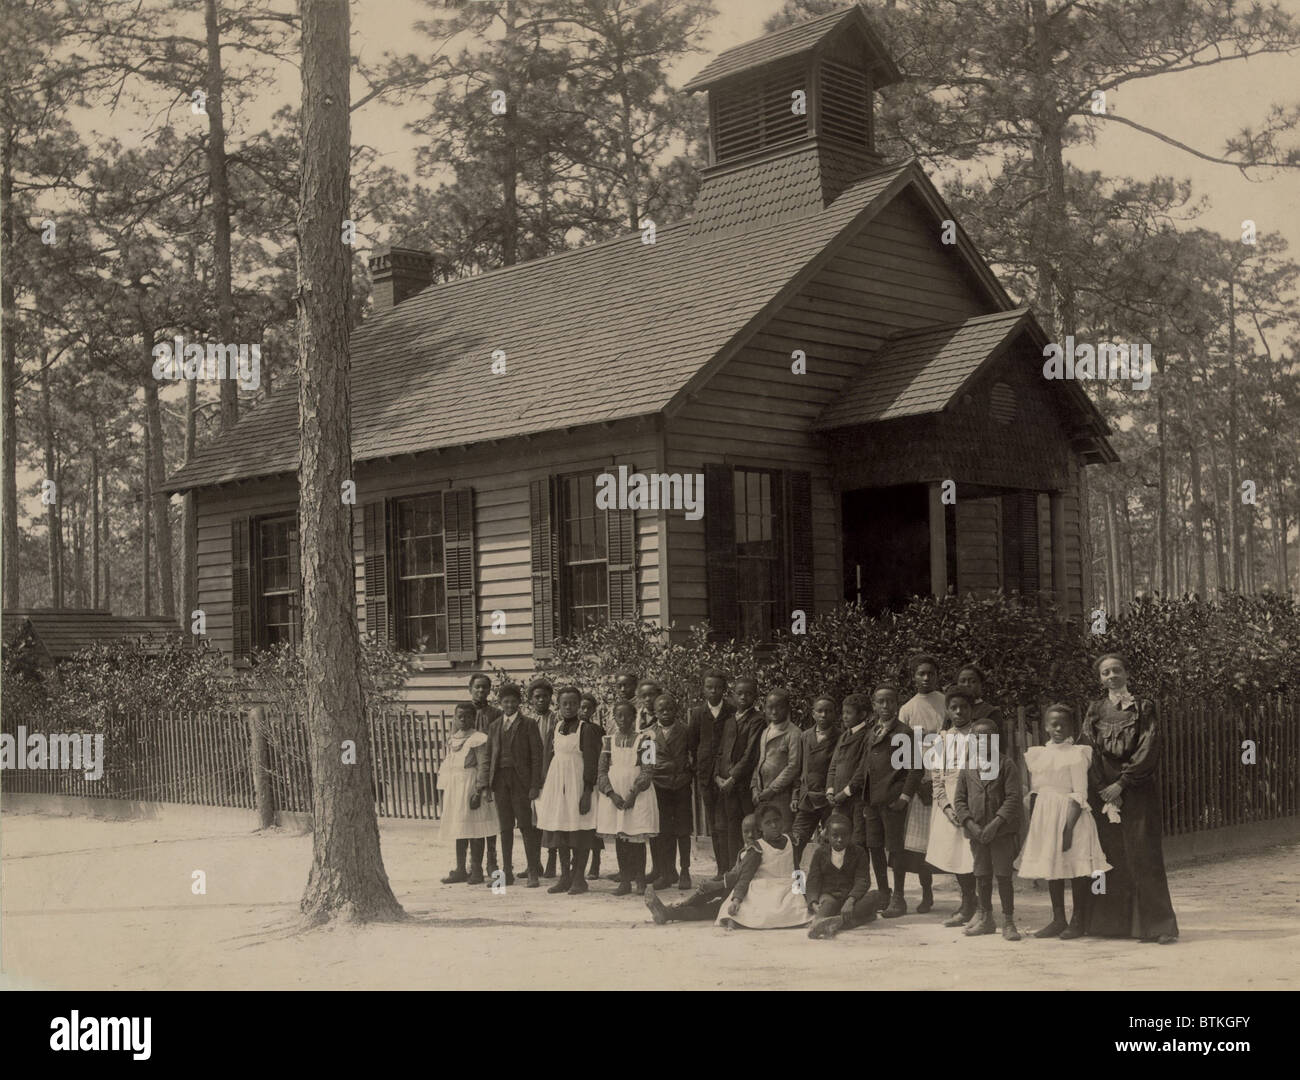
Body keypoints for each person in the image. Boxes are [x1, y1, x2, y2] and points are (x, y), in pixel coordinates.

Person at [1078, 654, 1179, 944]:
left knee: (1143, 854)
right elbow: (1088, 749)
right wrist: (1103, 789)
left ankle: (1158, 926)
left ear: (1126, 673)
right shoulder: (1095, 710)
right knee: (1109, 856)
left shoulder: (1144, 707)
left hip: (1136, 790)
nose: (1112, 676)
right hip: (1103, 794)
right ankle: (1112, 925)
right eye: (1105, 672)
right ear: (1100, 679)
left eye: (1116, 670)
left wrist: (1122, 784)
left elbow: (1149, 747)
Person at [1018, 704, 1110, 939]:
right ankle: (1058, 919)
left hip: (1071, 816)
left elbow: (1079, 793)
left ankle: (1078, 920)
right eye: (1053, 723)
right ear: (1046, 726)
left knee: (1077, 869)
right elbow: (1037, 791)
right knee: (1053, 869)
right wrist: (1036, 822)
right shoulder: (1038, 754)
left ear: (1072, 726)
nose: (1058, 728)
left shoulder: (1077, 754)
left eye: (1063, 724)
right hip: (1046, 816)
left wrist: (1067, 829)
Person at [854, 683, 923, 917]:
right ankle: (883, 892)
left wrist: (904, 797)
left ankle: (899, 898)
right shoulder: (872, 732)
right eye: (880, 701)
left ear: (897, 704)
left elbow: (914, 768)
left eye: (890, 701)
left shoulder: (902, 733)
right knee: (874, 846)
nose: (885, 706)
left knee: (895, 849)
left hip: (892, 801)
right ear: (874, 705)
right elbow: (865, 766)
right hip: (871, 801)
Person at [954, 718, 1022, 940]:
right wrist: (971, 825)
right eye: (977, 738)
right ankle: (986, 918)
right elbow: (960, 801)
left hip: (1000, 832)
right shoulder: (967, 768)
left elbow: (1013, 799)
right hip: (977, 834)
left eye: (987, 737)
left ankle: (1009, 921)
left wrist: (995, 824)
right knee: (981, 875)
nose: (982, 742)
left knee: (1003, 876)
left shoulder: (1006, 764)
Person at [535, 685, 602, 895]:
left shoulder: (586, 729)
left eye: (573, 703)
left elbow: (591, 762)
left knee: (580, 831)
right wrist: (546, 787)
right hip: (558, 786)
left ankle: (579, 878)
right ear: (559, 705)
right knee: (560, 830)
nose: (569, 707)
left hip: (578, 785)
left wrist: (587, 792)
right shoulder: (554, 728)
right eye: (565, 703)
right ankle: (565, 876)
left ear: (579, 705)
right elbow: (549, 760)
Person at [925, 686, 979, 927]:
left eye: (963, 707)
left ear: (972, 709)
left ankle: (979, 904)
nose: (958, 712)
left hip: (974, 802)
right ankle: (968, 902)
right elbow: (937, 778)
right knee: (956, 856)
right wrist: (947, 807)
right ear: (947, 710)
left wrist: (973, 807)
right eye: (954, 708)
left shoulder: (979, 736)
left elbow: (987, 773)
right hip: (950, 805)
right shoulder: (942, 739)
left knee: (974, 855)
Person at [644, 814, 761, 924]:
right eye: (746, 832)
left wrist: (720, 885)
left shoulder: (755, 851)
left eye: (755, 831)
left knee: (710, 905)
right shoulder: (750, 849)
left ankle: (671, 910)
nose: (750, 835)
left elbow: (742, 878)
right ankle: (670, 911)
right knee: (710, 902)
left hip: (743, 894)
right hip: (740, 890)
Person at [716, 803, 811, 930]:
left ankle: (803, 920)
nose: (774, 825)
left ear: (782, 820)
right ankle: (736, 920)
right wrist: (736, 900)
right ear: (760, 827)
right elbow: (745, 876)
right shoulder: (757, 848)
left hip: (788, 887)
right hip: (764, 888)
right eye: (768, 823)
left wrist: (805, 894)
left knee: (800, 907)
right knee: (759, 909)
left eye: (776, 820)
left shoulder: (791, 842)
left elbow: (796, 869)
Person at [899, 654, 945, 913]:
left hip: (945, 780)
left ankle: (967, 897)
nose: (926, 678)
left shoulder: (947, 703)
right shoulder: (907, 709)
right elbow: (904, 753)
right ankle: (927, 894)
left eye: (931, 673)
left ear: (937, 675)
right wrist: (918, 785)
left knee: (950, 838)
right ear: (913, 677)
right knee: (920, 845)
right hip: (920, 783)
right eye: (921, 674)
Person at [596, 701, 658, 895]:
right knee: (621, 839)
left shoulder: (646, 739)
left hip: (638, 796)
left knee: (636, 838)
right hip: (615, 797)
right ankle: (624, 881)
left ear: (634, 718)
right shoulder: (608, 741)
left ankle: (640, 879)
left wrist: (633, 793)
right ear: (614, 718)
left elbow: (648, 771)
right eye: (619, 716)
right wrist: (611, 794)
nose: (624, 720)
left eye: (628, 716)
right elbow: (602, 771)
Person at [486, 682, 544, 888]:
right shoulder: (494, 726)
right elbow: (488, 757)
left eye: (513, 701)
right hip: (500, 781)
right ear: (500, 703)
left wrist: (534, 784)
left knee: (526, 827)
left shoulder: (528, 724)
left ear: (519, 703)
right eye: (505, 702)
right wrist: (487, 785)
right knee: (505, 828)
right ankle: (506, 874)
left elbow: (537, 756)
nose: (509, 705)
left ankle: (533, 872)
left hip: (521, 781)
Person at [437, 702, 499, 885]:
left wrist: (479, 791)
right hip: (456, 787)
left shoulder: (478, 738)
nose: (463, 720)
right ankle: (460, 869)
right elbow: (449, 765)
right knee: (460, 828)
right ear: (455, 718)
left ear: (474, 718)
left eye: (467, 717)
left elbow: (482, 765)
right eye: (460, 716)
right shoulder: (453, 738)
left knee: (475, 829)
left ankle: (477, 869)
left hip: (471, 786)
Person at [711, 676, 761, 877]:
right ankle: (733, 870)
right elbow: (721, 751)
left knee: (750, 826)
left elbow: (750, 755)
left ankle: (751, 870)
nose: (743, 697)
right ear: (732, 695)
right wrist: (717, 776)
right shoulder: (730, 720)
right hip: (726, 785)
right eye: (739, 693)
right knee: (732, 828)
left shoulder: (757, 720)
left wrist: (732, 778)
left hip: (742, 784)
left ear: (755, 697)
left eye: (748, 694)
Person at [805, 813, 880, 939]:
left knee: (875, 896)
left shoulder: (859, 852)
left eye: (844, 835)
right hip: (829, 895)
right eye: (835, 835)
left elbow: (863, 880)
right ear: (827, 836)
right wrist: (813, 902)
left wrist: (851, 900)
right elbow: (813, 879)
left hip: (851, 898)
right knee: (827, 905)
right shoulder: (820, 853)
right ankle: (823, 922)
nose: (840, 839)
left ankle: (834, 923)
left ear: (850, 835)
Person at [648, 692, 696, 890]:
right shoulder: (649, 733)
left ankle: (685, 870)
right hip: (660, 788)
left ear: (676, 710)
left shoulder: (685, 730)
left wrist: (683, 770)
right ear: (655, 712)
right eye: (661, 710)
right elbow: (648, 763)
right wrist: (665, 767)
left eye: (669, 709)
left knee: (683, 831)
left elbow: (693, 756)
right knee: (663, 831)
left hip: (681, 786)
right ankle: (668, 872)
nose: (666, 713)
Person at [689, 669, 732, 879]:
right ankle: (721, 868)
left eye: (717, 687)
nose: (713, 691)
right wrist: (699, 769)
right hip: (706, 777)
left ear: (724, 689)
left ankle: (733, 866)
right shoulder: (698, 714)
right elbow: (693, 743)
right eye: (709, 687)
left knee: (728, 821)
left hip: (727, 775)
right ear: (704, 689)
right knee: (714, 824)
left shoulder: (732, 710)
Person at [791, 695, 838, 868]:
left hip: (828, 800)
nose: (824, 715)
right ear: (813, 714)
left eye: (828, 711)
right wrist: (796, 796)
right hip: (806, 799)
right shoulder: (804, 736)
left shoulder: (840, 737)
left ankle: (829, 886)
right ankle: (797, 887)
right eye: (820, 711)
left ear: (835, 714)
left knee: (831, 845)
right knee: (796, 843)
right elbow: (798, 769)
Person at [751, 689, 802, 835]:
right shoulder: (765, 731)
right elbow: (759, 762)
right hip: (762, 794)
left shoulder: (793, 733)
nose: (774, 711)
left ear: (787, 708)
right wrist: (754, 787)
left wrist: (772, 789)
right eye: (770, 707)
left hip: (781, 794)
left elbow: (793, 766)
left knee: (782, 834)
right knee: (765, 835)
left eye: (779, 707)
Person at [824, 693, 871, 847]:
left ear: (863, 714)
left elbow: (862, 770)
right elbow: (833, 766)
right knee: (834, 838)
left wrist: (845, 793)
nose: (844, 716)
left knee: (857, 841)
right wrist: (830, 790)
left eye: (849, 713)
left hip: (856, 799)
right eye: (843, 712)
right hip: (838, 799)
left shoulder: (868, 736)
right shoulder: (844, 736)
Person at [467, 674, 502, 877]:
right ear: (470, 688)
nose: (481, 691)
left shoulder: (495, 714)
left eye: (485, 688)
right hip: (470, 772)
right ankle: (474, 865)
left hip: (489, 771)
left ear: (489, 691)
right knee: (473, 817)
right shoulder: (464, 712)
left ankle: (492, 861)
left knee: (490, 817)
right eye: (477, 687)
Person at [527, 677, 559, 878]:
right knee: (532, 819)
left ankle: (552, 861)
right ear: (531, 699)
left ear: (550, 698)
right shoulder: (527, 720)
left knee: (551, 818)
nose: (541, 700)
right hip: (531, 776)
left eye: (545, 697)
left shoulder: (556, 720)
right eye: (537, 697)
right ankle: (534, 862)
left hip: (551, 774)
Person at [578, 691, 605, 880]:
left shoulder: (596, 730)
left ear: (594, 710)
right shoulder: (568, 727)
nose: (584, 711)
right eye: (581, 707)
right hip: (573, 778)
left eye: (588, 708)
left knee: (593, 823)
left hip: (591, 780)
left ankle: (595, 862)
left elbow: (599, 755)